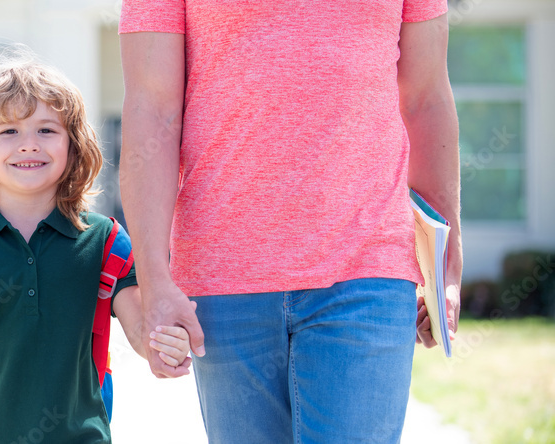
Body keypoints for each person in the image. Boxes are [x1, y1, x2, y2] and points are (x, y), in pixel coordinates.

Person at [118, 1, 463, 443]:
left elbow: (425, 98)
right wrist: (153, 278)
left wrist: (447, 259)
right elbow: (152, 109)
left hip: (368, 265)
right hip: (225, 277)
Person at [0, 51, 193, 443]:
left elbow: (144, 334)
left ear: (74, 146)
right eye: (8, 131)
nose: (28, 145)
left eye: (46, 130)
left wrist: (166, 344)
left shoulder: (105, 241)